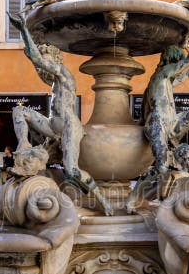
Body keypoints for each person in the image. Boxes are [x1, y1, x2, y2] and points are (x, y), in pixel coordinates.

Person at [7, 11, 114, 215]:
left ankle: (103, 200)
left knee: (71, 169)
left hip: (68, 126)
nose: (43, 66)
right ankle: (24, 144)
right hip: (52, 124)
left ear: (55, 59)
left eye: (46, 59)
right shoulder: (54, 80)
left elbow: (37, 59)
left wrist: (24, 31)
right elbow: (34, 58)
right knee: (19, 110)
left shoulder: (63, 73)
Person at [142, 14, 189, 173]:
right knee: (162, 166)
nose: (179, 67)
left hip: (172, 122)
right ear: (172, 60)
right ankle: (160, 184)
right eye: (178, 63)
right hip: (158, 124)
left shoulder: (165, 81)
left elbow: (181, 78)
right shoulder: (162, 72)